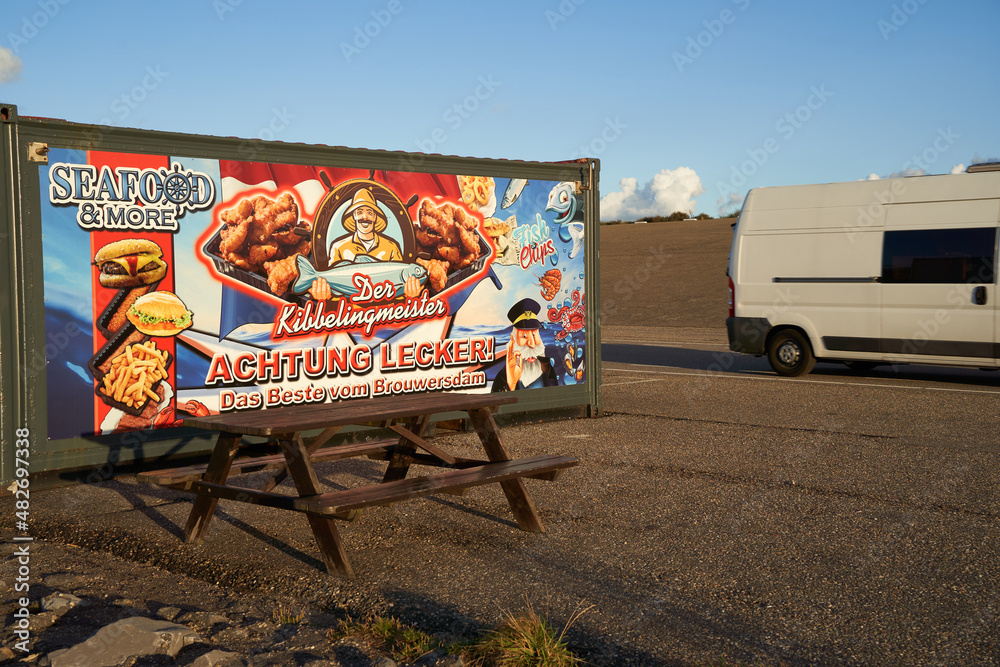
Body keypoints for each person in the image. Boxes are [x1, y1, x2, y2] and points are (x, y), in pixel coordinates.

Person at [309, 187, 419, 300]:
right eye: (360, 212)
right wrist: (325, 294)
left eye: (370, 212)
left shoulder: (392, 247)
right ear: (354, 216)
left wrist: (409, 294)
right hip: (349, 314)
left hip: (386, 313)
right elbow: (333, 292)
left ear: (375, 217)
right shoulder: (338, 247)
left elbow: (398, 292)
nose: (365, 217)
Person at [491, 298, 558, 392]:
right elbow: (496, 404)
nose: (532, 344)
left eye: (534, 335)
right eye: (524, 336)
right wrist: (511, 385)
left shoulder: (548, 370)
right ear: (513, 339)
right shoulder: (502, 378)